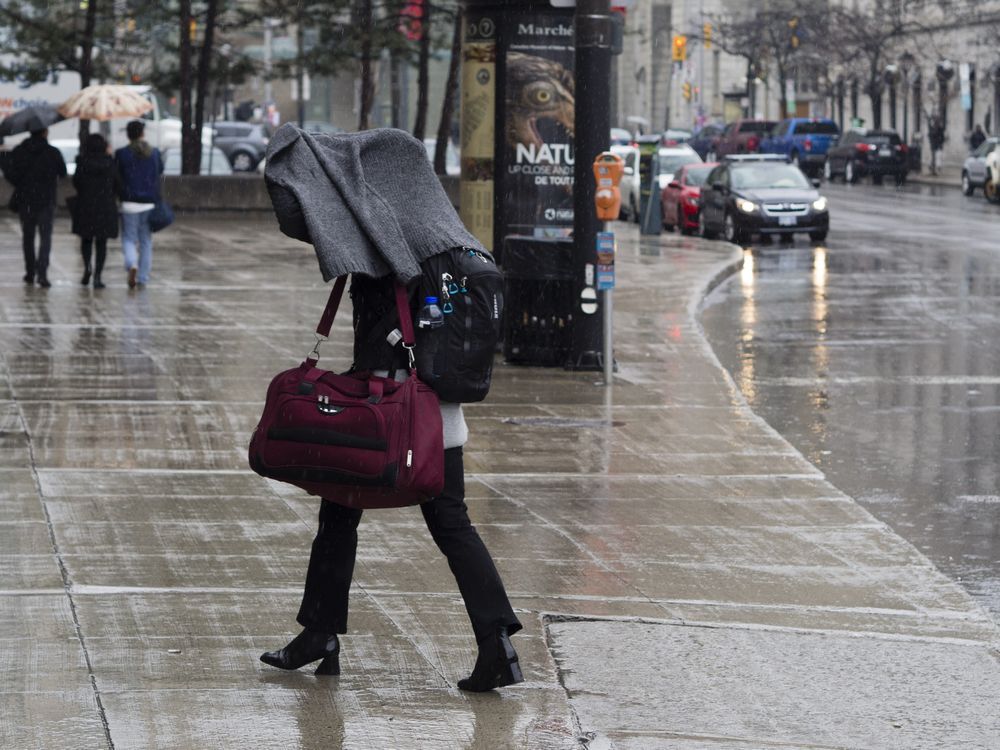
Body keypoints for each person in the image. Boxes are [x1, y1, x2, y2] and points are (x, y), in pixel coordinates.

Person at [259, 125, 524, 692]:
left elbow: (297, 218)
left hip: (387, 414)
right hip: (438, 410)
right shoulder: (445, 233)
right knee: (438, 523)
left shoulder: (382, 238)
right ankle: (493, 640)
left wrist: (295, 153)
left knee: (346, 520)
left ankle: (322, 634)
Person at [3, 128, 66, 287]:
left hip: (26, 200)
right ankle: (42, 273)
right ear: (45, 133)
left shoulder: (19, 151)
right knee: (46, 238)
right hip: (46, 200)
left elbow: (10, 172)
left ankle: (30, 272)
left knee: (28, 237)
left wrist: (22, 183)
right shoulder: (52, 152)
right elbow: (63, 172)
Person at [115, 120, 163, 288]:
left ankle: (131, 263)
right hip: (149, 202)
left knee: (129, 238)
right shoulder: (154, 153)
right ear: (142, 133)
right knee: (145, 241)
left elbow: (117, 176)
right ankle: (142, 277)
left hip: (129, 202)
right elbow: (159, 171)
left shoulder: (122, 153)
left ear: (128, 135)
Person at [72, 134, 121, 289]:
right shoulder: (110, 163)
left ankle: (87, 266)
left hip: (86, 205)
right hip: (105, 206)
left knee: (86, 239)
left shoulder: (82, 162)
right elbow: (118, 184)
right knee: (102, 242)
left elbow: (76, 182)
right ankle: (98, 276)